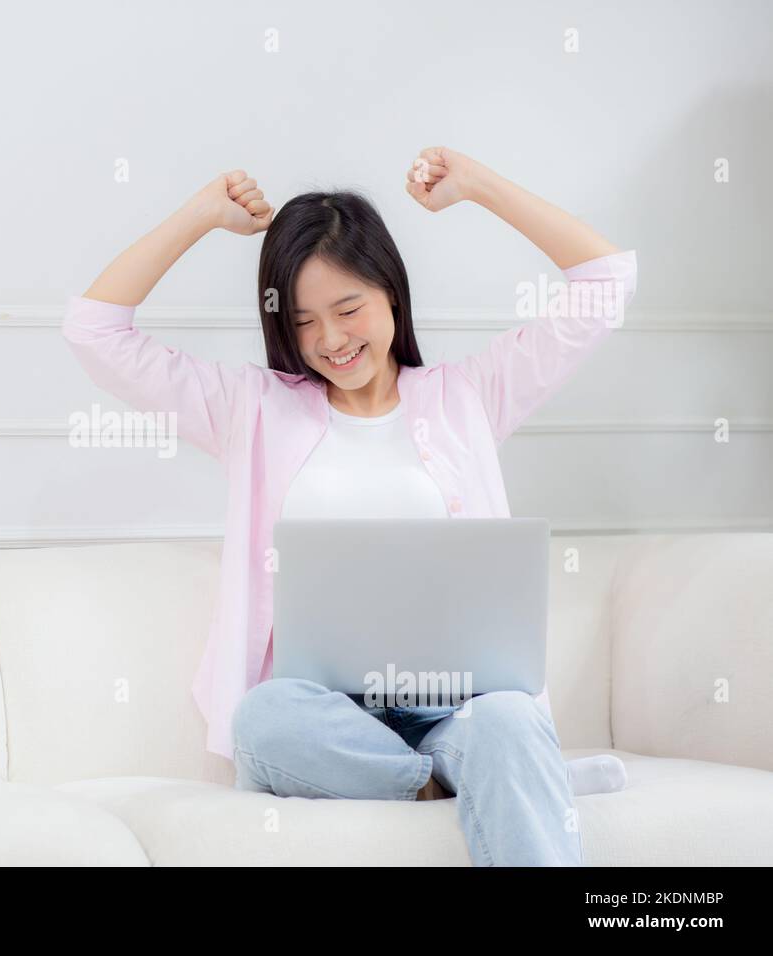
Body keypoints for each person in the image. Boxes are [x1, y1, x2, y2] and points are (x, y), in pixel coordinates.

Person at [62, 147, 635, 865]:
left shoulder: (468, 398)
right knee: (262, 718)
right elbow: (94, 332)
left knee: (509, 722)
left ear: (390, 292)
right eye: (304, 320)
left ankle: (501, 765)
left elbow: (606, 281)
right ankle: (464, 782)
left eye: (348, 309)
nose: (331, 340)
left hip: (458, 708)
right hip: (326, 719)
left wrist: (480, 186)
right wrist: (199, 216)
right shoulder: (252, 409)